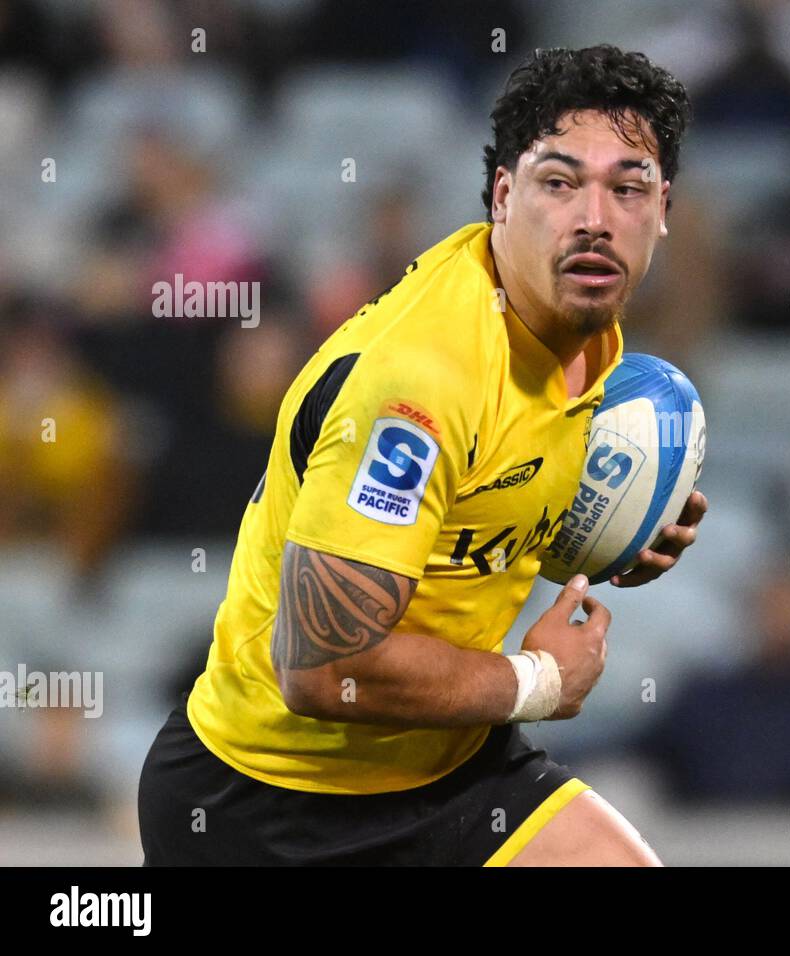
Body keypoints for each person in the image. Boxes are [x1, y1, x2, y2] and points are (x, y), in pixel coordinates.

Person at [138, 45, 706, 866]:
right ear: (504, 195)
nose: (594, 216)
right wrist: (540, 682)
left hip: (453, 774)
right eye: (559, 182)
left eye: (627, 187)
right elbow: (323, 667)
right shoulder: (421, 384)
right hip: (267, 804)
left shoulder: (594, 347)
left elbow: (473, 506)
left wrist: (602, 539)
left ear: (662, 210)